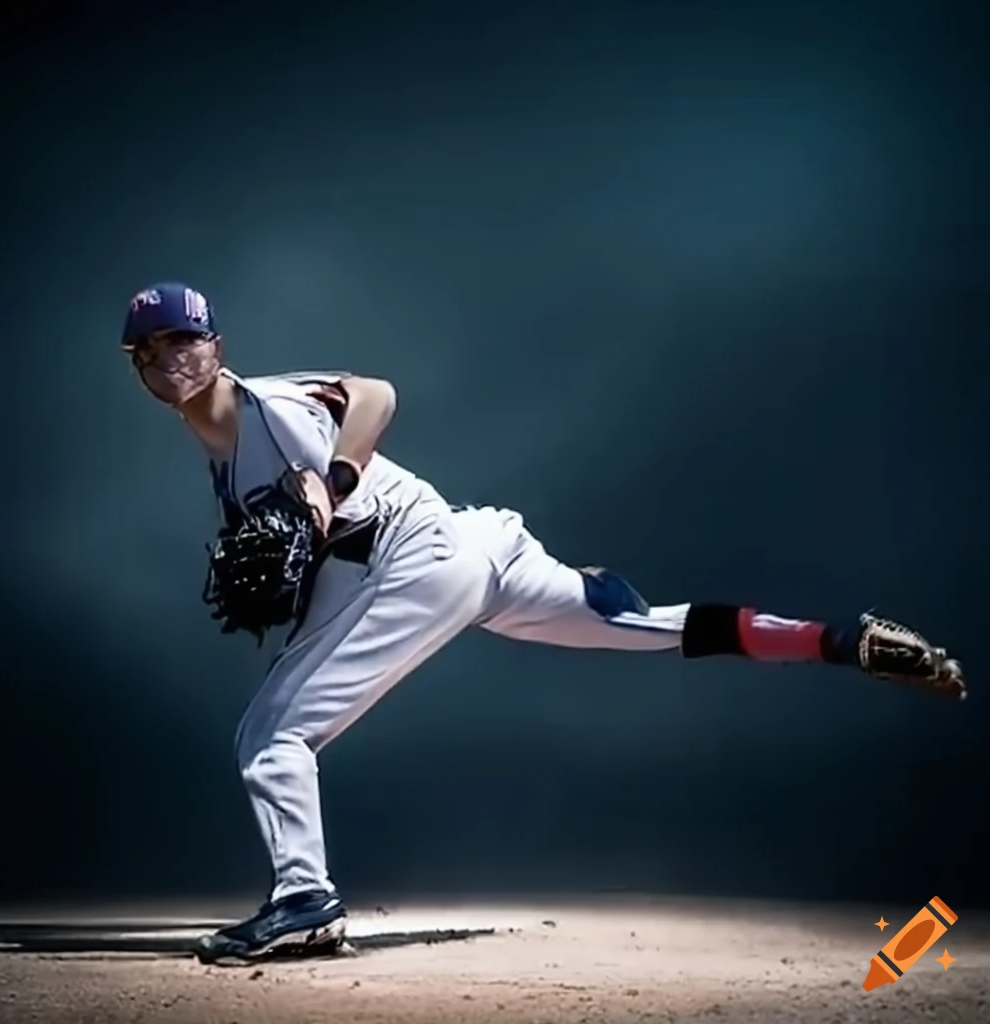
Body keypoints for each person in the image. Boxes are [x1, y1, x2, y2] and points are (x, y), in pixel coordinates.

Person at [121, 282, 966, 965]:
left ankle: (305, 900)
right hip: (472, 544)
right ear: (138, 368)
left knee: (270, 739)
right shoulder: (225, 456)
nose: (170, 360)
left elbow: (375, 394)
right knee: (647, 627)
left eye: (183, 341)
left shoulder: (272, 411)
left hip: (414, 559)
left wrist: (333, 480)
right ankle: (838, 640)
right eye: (150, 352)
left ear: (217, 345)